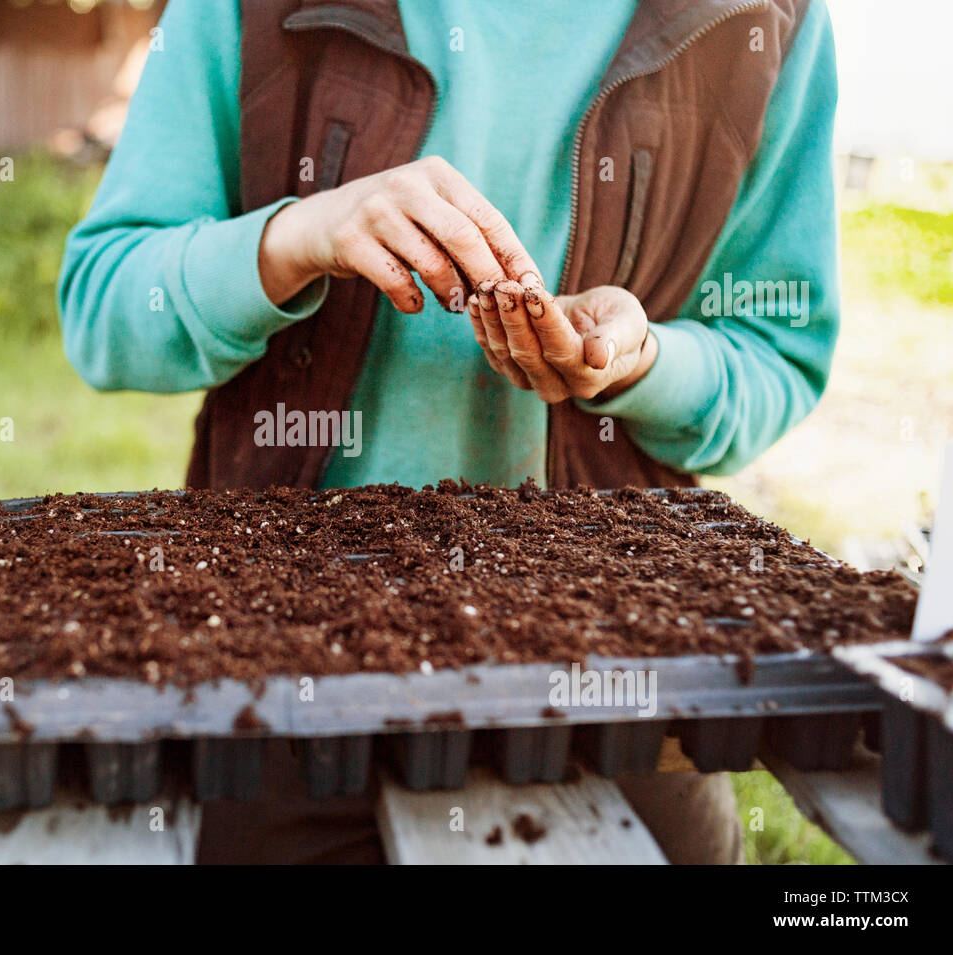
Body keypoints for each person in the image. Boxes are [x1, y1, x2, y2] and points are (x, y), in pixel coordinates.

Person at [59, 0, 838, 864]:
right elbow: (104, 306)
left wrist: (641, 359)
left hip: (613, 663)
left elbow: (776, 355)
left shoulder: (758, 20)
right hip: (279, 663)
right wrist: (299, 236)